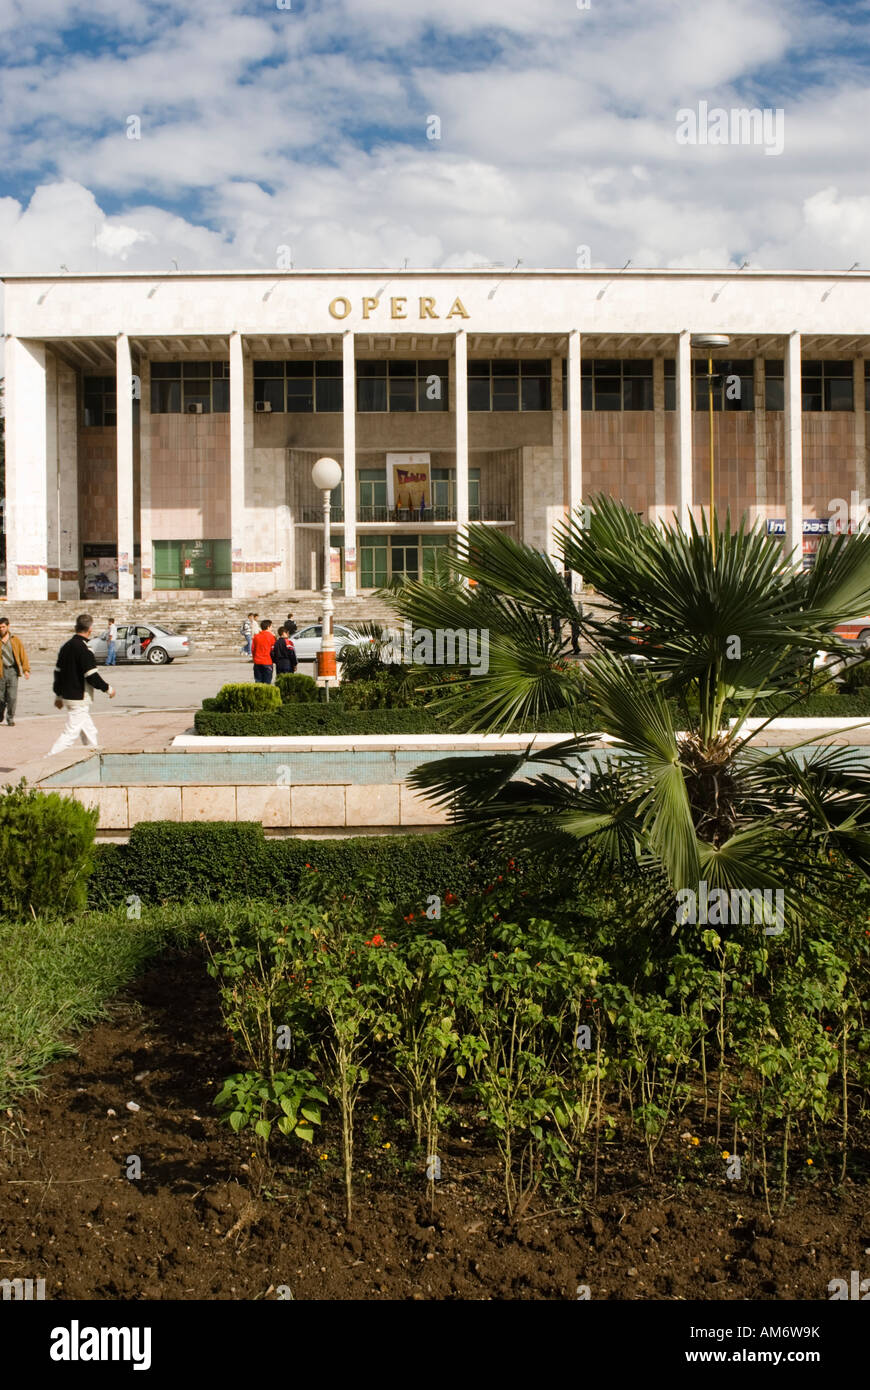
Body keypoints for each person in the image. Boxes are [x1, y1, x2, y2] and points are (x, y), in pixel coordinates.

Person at [49, 613, 115, 754]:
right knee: (71, 732)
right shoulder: (84, 649)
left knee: (89, 730)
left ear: (76, 627)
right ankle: (49, 759)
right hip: (78, 697)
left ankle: (93, 754)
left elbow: (58, 672)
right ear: (90, 629)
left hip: (68, 695)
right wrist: (108, 688)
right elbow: (91, 675)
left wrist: (59, 695)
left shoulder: (66, 646)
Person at [0, 616, 31, 727]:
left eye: (3, 627)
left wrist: (26, 669)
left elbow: (23, 655)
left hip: (12, 671)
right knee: (0, 697)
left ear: (8, 626)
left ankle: (10, 718)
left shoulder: (15, 640)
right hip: (1, 672)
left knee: (12, 697)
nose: (1, 629)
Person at [251, 619, 275, 684]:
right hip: (267, 661)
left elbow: (253, 649)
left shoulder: (256, 637)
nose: (272, 628)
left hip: (257, 662)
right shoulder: (271, 637)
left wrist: (254, 658)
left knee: (258, 682)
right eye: (271, 627)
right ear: (268, 627)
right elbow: (273, 649)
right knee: (267, 682)